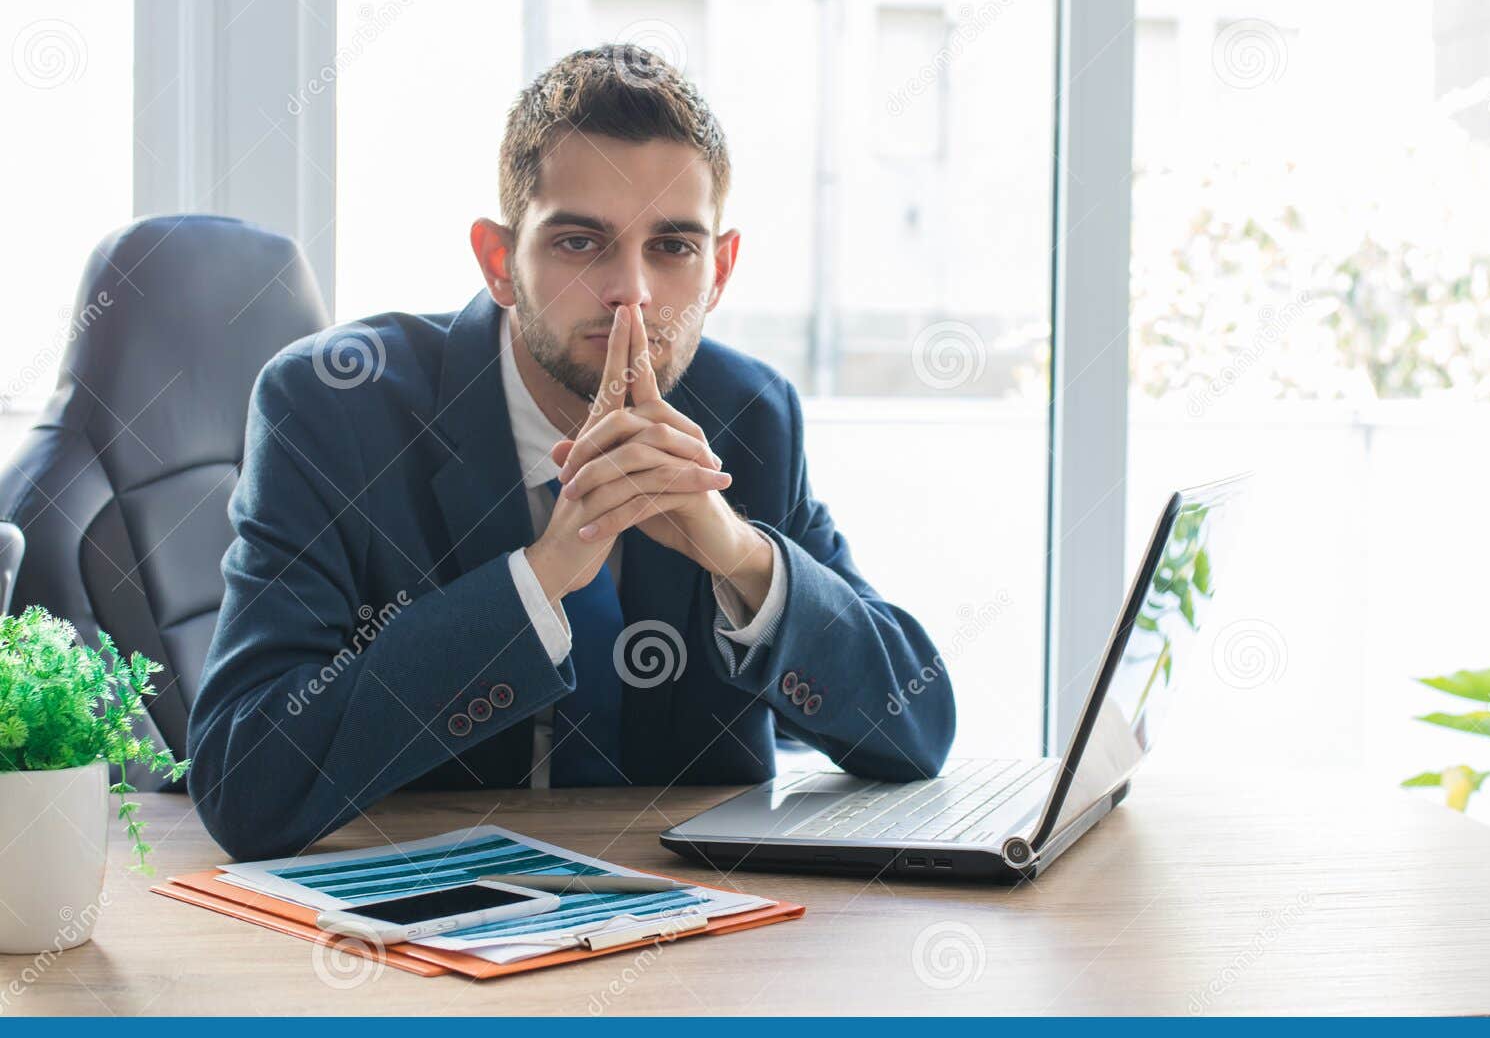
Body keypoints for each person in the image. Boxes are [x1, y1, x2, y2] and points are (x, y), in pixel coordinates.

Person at [187, 43, 955, 862]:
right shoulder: (331, 409)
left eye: (673, 247)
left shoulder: (750, 414)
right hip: (430, 938)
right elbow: (247, 781)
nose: (633, 291)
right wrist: (542, 576)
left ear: (720, 270)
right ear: (500, 263)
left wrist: (739, 556)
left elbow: (916, 730)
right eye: (581, 243)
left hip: (698, 941)